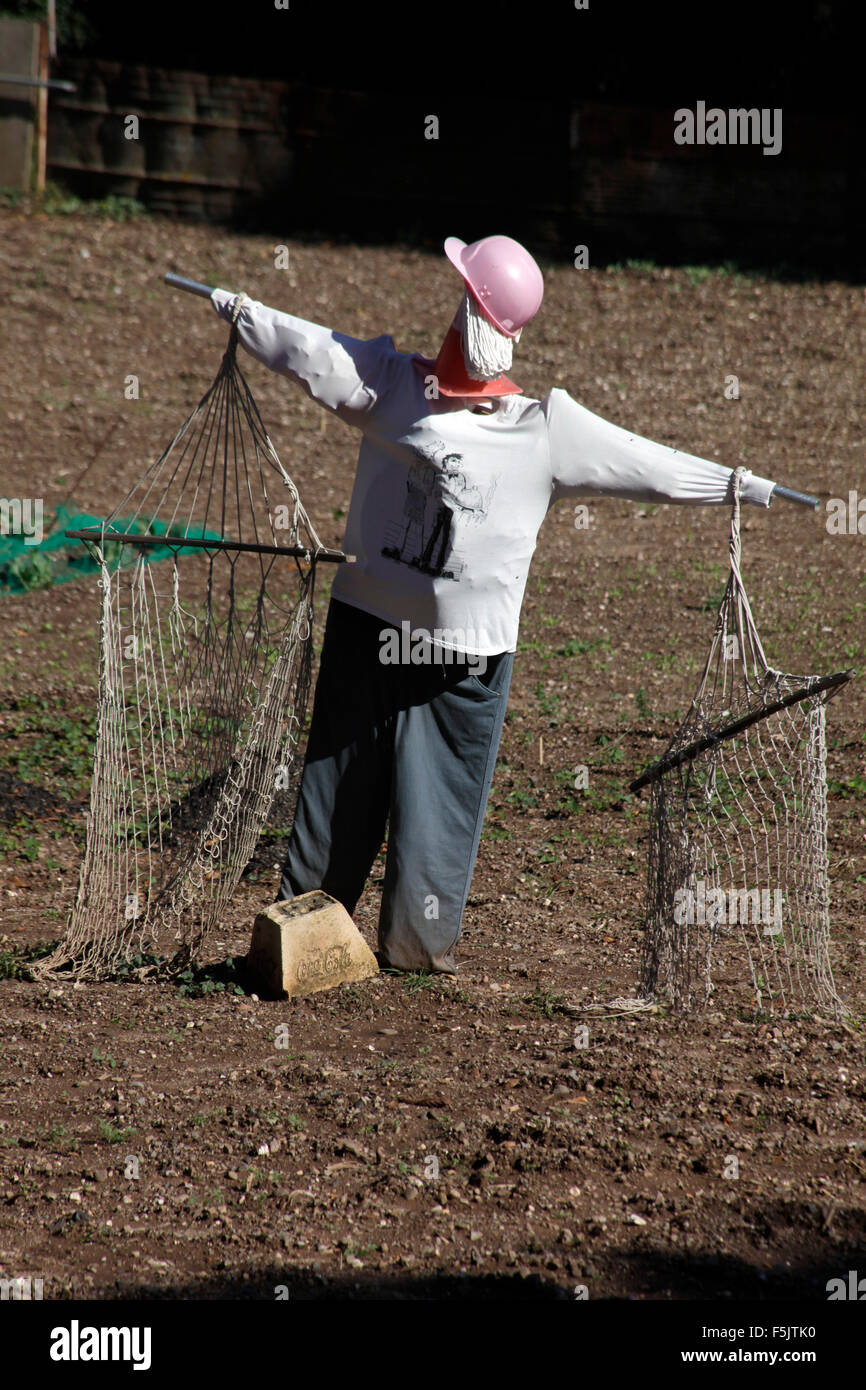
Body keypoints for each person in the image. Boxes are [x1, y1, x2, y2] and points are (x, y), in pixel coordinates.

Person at [210, 235, 777, 975]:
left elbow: (646, 464)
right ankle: (305, 941)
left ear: (466, 312)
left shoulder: (545, 431)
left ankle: (415, 946)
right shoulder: (389, 382)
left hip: (462, 659)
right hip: (367, 631)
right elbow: (312, 351)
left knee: (437, 799)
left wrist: (734, 484)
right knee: (338, 784)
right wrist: (244, 314)